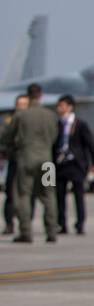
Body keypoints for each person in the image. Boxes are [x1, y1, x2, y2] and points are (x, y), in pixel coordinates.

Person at [0, 83, 59, 243]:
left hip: (26, 159)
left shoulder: (21, 116)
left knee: (23, 194)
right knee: (49, 194)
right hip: (47, 161)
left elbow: (7, 137)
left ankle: (26, 232)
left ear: (28, 96)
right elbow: (55, 137)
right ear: (40, 96)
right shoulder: (51, 115)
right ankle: (52, 231)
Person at [53, 94, 94, 235]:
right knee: (59, 196)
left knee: (79, 196)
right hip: (59, 165)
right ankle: (62, 224)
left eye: (61, 106)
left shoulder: (80, 124)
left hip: (76, 164)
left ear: (70, 107)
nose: (59, 109)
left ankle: (80, 224)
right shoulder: (57, 125)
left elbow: (90, 144)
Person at [2, 94, 30, 235]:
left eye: (24, 104)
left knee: (44, 192)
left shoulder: (35, 120)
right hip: (15, 161)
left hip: (37, 164)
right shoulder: (10, 121)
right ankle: (9, 224)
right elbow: (4, 137)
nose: (21, 107)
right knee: (11, 194)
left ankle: (27, 225)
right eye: (19, 104)